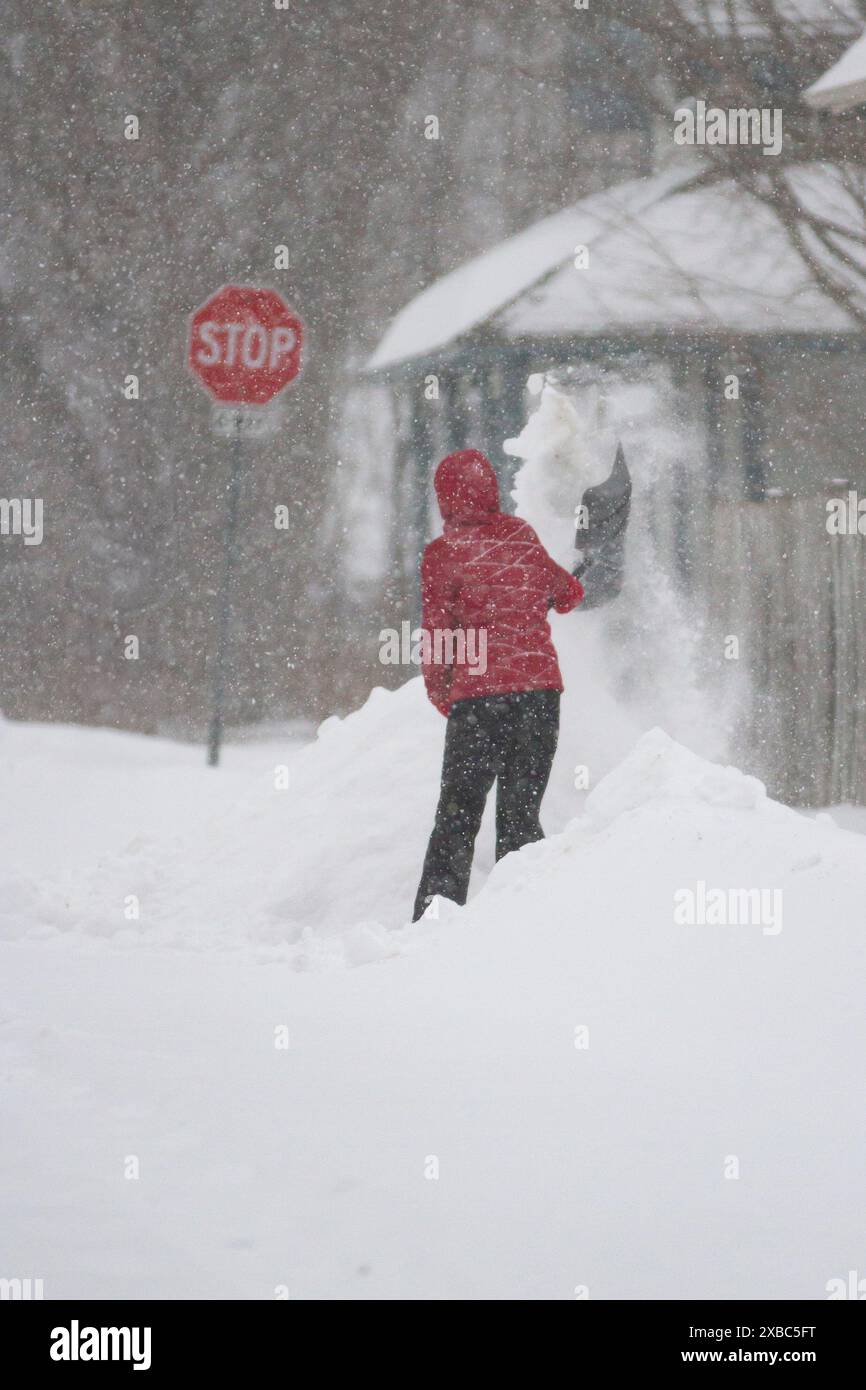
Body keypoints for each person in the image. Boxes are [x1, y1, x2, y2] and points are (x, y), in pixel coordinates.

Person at [412, 448, 584, 922]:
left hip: (481, 703)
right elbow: (567, 593)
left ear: (444, 498)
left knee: (457, 819)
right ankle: (524, 927)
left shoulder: (442, 555)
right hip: (540, 697)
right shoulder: (522, 535)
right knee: (521, 818)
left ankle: (433, 926)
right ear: (491, 489)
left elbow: (439, 633)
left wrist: (442, 692)